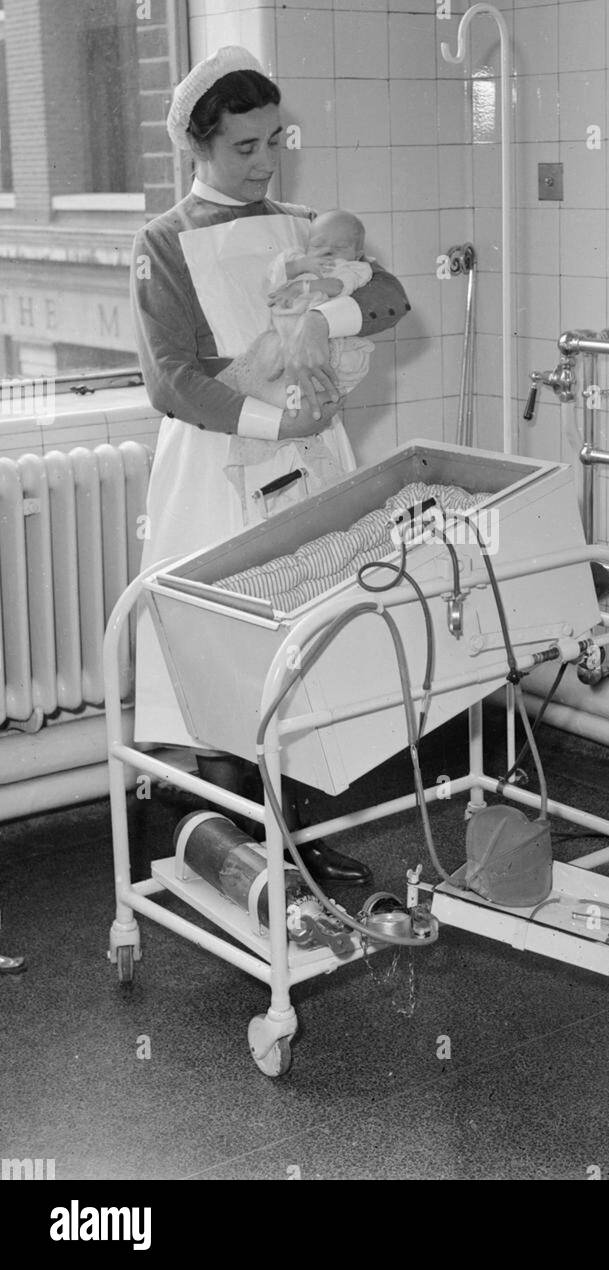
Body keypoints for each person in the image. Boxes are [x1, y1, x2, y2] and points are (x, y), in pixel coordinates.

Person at [131, 46, 411, 884]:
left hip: (313, 459)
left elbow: (392, 299)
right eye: (241, 148)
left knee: (311, 641)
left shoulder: (305, 225)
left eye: (273, 141)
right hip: (219, 465)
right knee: (228, 652)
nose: (263, 162)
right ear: (198, 147)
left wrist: (327, 318)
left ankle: (298, 839)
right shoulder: (164, 241)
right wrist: (272, 414)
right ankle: (227, 849)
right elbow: (168, 378)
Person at [218, 209, 376, 521]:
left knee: (318, 382)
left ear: (357, 253)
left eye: (341, 247)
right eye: (319, 244)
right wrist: (301, 266)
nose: (329, 251)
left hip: (322, 346)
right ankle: (271, 419)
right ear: (306, 245)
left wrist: (303, 287)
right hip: (281, 338)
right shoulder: (298, 260)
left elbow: (338, 286)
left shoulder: (356, 270)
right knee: (256, 373)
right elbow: (274, 275)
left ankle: (301, 416)